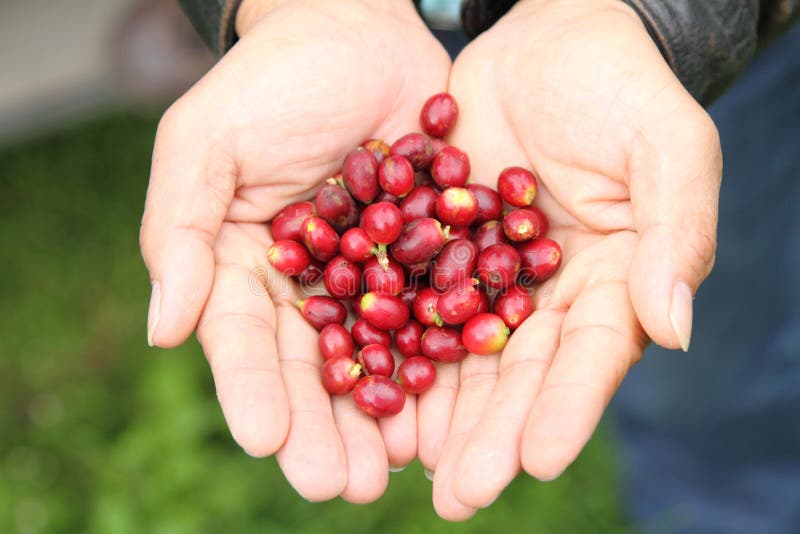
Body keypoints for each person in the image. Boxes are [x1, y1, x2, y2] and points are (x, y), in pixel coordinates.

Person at [140, 0, 800, 528]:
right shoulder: (396, 253)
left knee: (712, 360)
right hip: (355, 36)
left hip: (649, 50)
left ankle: (727, 505)